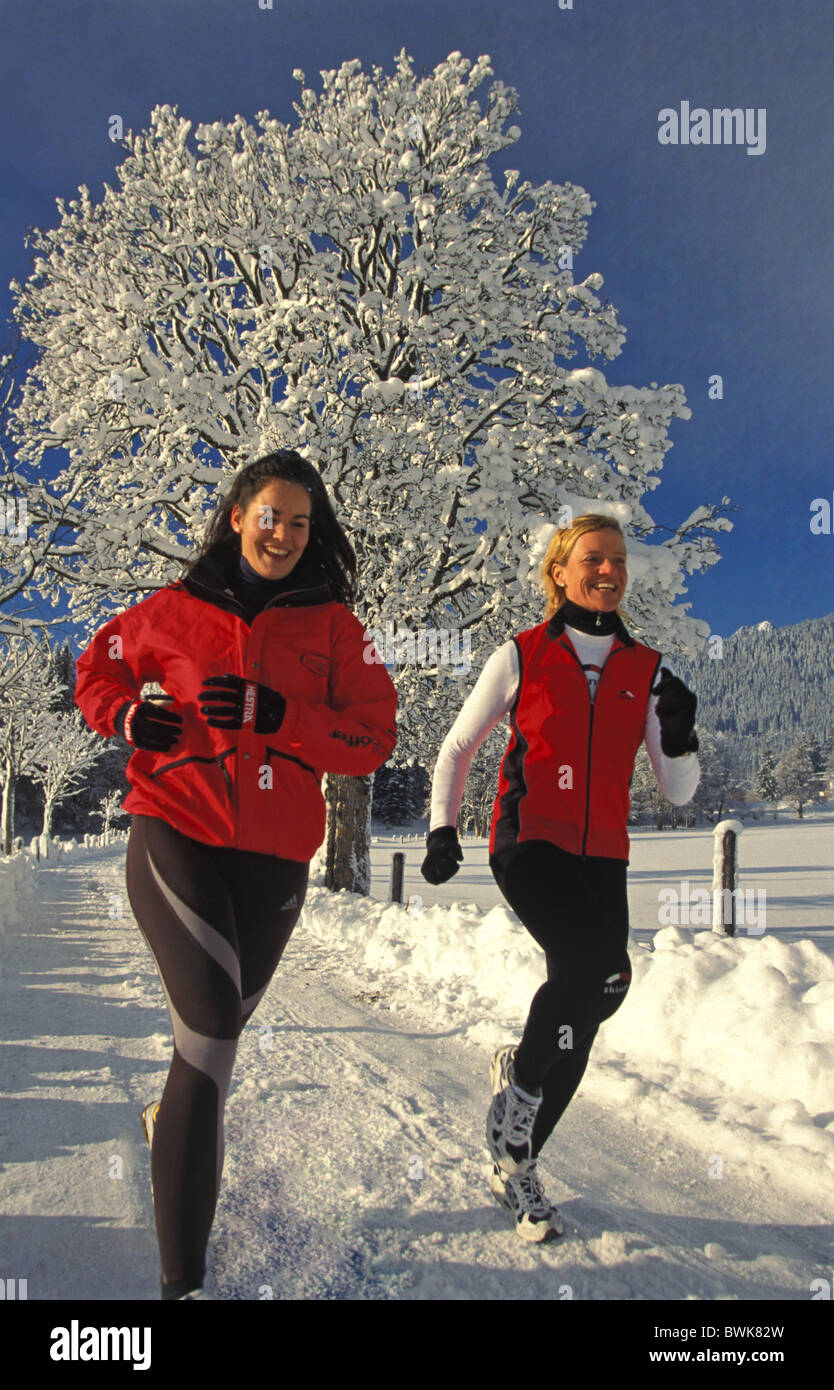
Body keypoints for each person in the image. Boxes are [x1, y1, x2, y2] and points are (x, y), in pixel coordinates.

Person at [74, 449, 397, 1299]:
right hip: (176, 826)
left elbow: (373, 734)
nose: (285, 533)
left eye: (301, 521)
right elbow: (97, 667)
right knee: (213, 1025)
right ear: (236, 516)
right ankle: (184, 1285)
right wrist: (125, 717)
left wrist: (285, 718)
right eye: (271, 515)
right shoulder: (169, 613)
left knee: (207, 1053)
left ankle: (170, 1119)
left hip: (278, 857)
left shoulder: (332, 627)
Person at [420, 514, 699, 1243]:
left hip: (604, 854)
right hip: (529, 841)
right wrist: (442, 827)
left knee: (599, 993)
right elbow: (457, 746)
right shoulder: (521, 654)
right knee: (591, 965)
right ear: (559, 572)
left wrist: (680, 733)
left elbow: (678, 792)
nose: (608, 572)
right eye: (592, 560)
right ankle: (519, 1094)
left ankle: (519, 1155)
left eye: (617, 561)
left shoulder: (650, 669)